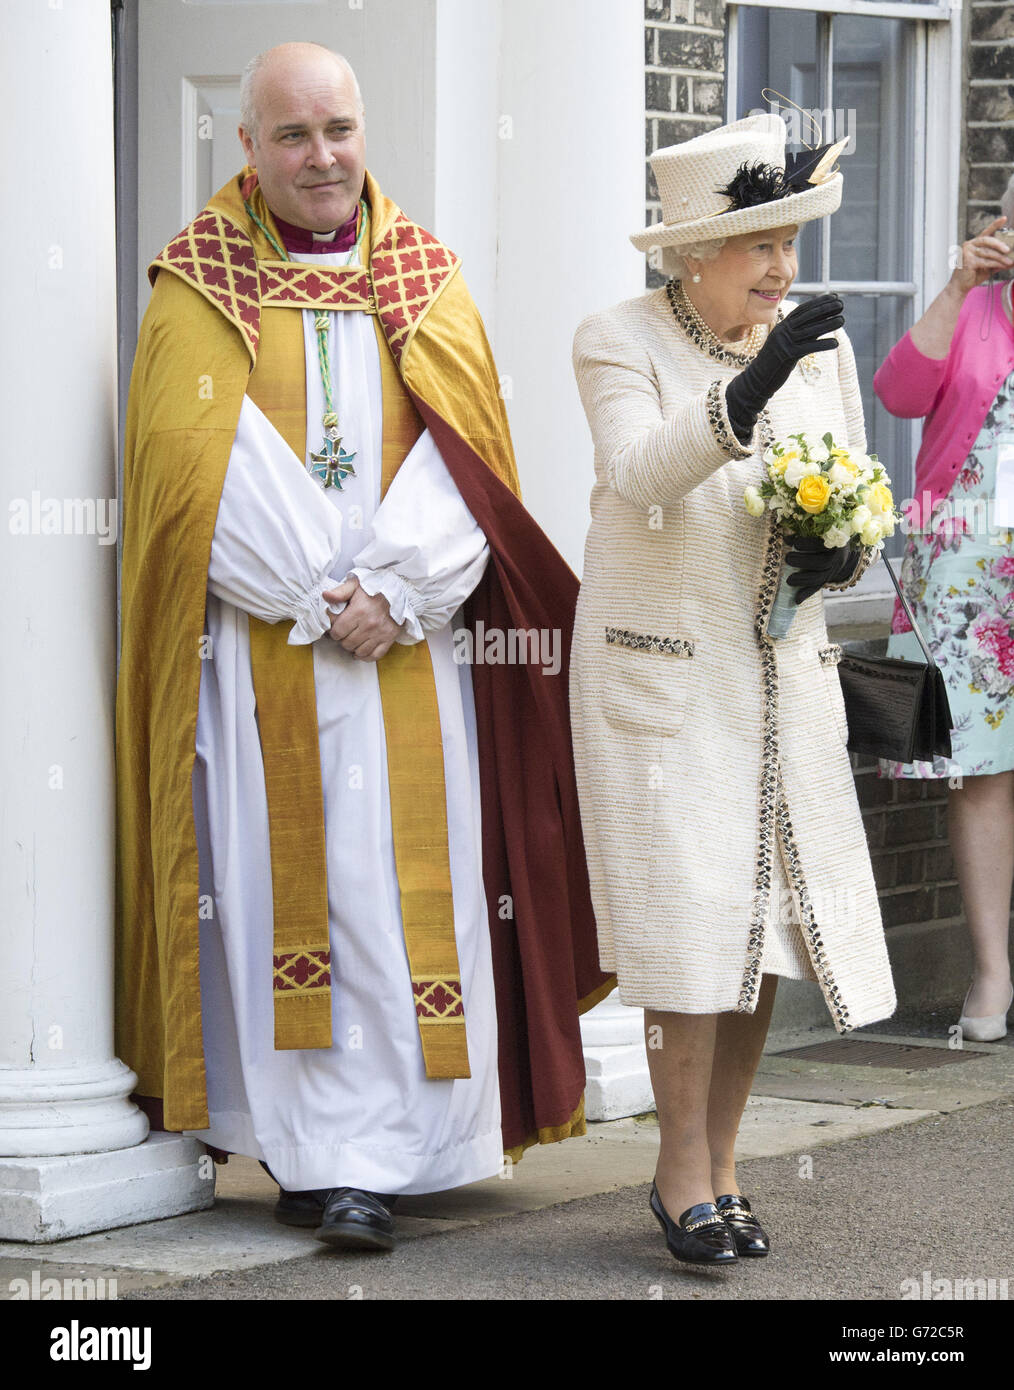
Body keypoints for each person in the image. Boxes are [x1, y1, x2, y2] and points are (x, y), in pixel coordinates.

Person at [115, 41, 609, 1253]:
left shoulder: (428, 281)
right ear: (248, 149)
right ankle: (320, 1158)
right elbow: (188, 480)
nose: (323, 156)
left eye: (339, 129)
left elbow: (473, 466)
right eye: (293, 136)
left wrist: (396, 585)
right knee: (291, 891)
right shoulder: (195, 288)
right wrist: (311, 590)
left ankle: (419, 1141)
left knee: (399, 893)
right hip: (264, 658)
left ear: (363, 129)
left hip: (411, 656)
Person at [569, 114, 896, 1266]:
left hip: (783, 680)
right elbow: (641, 474)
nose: (779, 269)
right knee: (689, 926)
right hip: (661, 683)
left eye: (789, 244)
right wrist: (752, 384)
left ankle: (724, 1164)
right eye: (756, 243)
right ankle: (676, 1173)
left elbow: (857, 487)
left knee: (764, 928)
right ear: (688, 252)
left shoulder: (820, 345)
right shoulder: (615, 338)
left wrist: (839, 553)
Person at [874, 184, 1014, 1043]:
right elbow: (896, 393)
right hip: (965, 566)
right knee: (984, 770)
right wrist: (958, 283)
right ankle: (994, 972)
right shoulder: (975, 306)